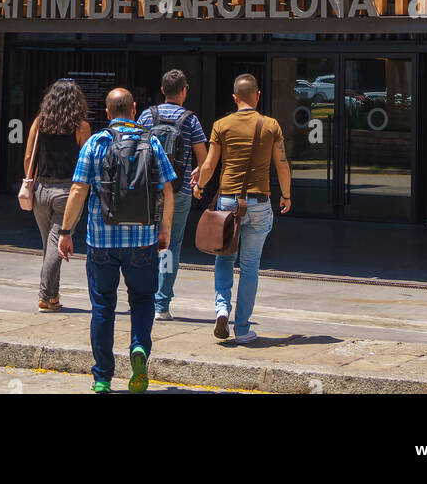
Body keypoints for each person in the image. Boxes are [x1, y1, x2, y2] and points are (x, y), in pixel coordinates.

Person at [57, 87, 175, 394]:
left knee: (102, 306)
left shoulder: (95, 143)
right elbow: (167, 190)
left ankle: (102, 377)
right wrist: (165, 230)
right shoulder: (152, 142)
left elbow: (78, 190)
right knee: (143, 298)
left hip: (101, 242)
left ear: (107, 113)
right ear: (134, 109)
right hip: (142, 240)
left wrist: (66, 232)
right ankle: (139, 349)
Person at [192, 72, 291, 344]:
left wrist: (200, 187)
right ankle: (243, 328)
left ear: (235, 98)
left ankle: (222, 308)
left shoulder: (221, 125)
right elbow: (281, 164)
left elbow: (210, 165)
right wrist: (286, 195)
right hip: (259, 201)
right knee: (250, 266)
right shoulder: (271, 125)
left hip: (227, 202)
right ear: (258, 95)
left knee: (223, 257)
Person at [137, 68, 207, 320]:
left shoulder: (146, 116)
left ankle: (141, 295)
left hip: (148, 192)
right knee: (170, 246)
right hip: (179, 192)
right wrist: (197, 182)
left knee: (145, 243)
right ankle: (161, 305)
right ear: (184, 90)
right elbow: (204, 160)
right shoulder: (191, 120)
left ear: (163, 89)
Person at [23, 79, 91, 312]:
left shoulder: (39, 122)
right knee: (56, 244)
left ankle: (53, 297)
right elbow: (86, 163)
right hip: (67, 192)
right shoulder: (81, 127)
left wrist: (30, 183)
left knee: (50, 245)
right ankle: (44, 296)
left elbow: (27, 158)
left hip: (41, 190)